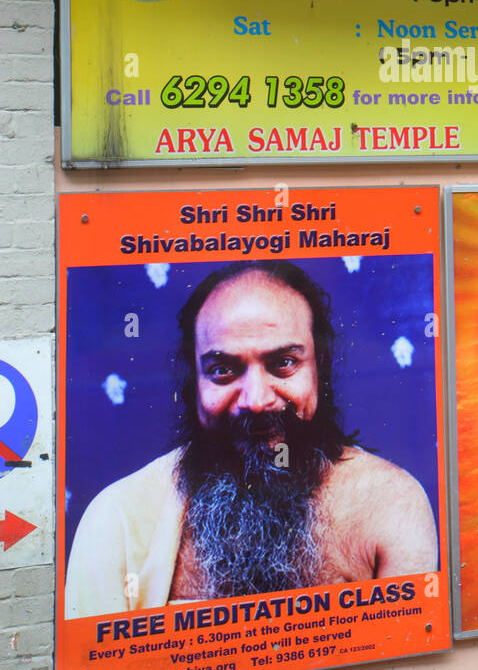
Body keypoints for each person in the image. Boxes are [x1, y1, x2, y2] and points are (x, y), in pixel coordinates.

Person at [65, 260, 438, 618]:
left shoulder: (390, 505)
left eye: (283, 363)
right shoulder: (116, 519)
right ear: (192, 381)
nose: (256, 401)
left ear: (320, 367)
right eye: (223, 370)